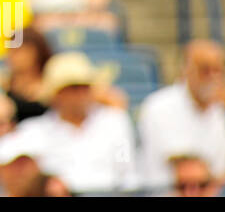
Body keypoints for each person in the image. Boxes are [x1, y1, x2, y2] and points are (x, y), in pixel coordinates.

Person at [137, 40, 225, 193]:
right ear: (186, 71)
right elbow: (189, 177)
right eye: (205, 70)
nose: (214, 78)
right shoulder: (158, 107)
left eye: (219, 71)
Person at [7, 51, 137, 193]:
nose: (81, 94)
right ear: (56, 94)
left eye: (85, 87)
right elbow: (4, 157)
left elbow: (126, 169)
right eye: (73, 88)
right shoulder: (33, 130)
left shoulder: (115, 122)